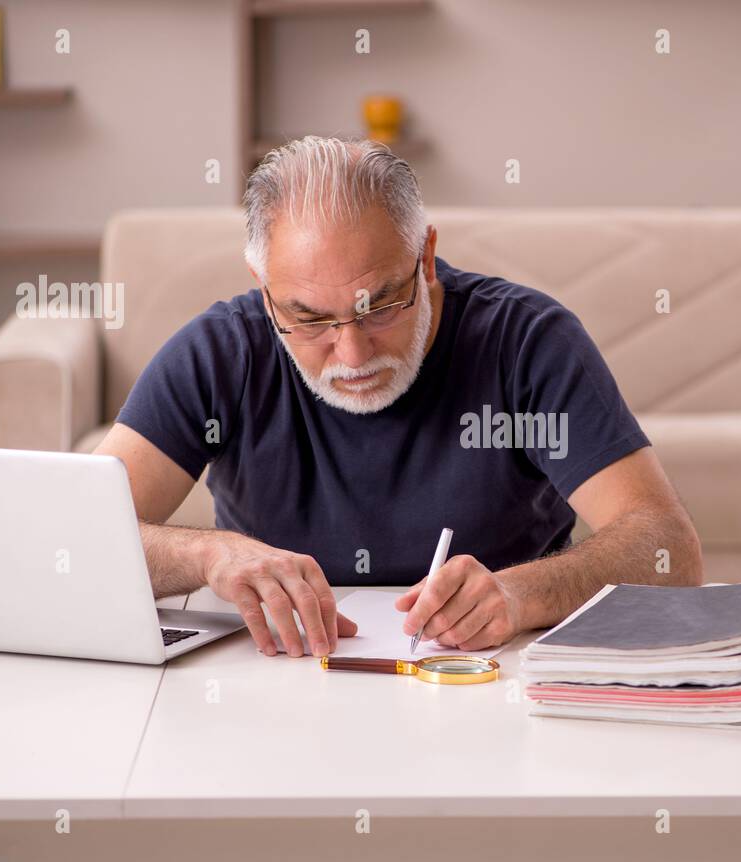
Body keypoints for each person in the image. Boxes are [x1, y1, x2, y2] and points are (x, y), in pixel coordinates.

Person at [95, 136, 702, 658]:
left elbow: (668, 547)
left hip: (489, 678)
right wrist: (208, 555)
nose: (353, 356)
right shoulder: (221, 352)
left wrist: (521, 595)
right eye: (308, 320)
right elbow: (70, 540)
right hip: (281, 680)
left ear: (426, 258)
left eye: (380, 306)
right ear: (264, 289)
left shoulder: (526, 342)